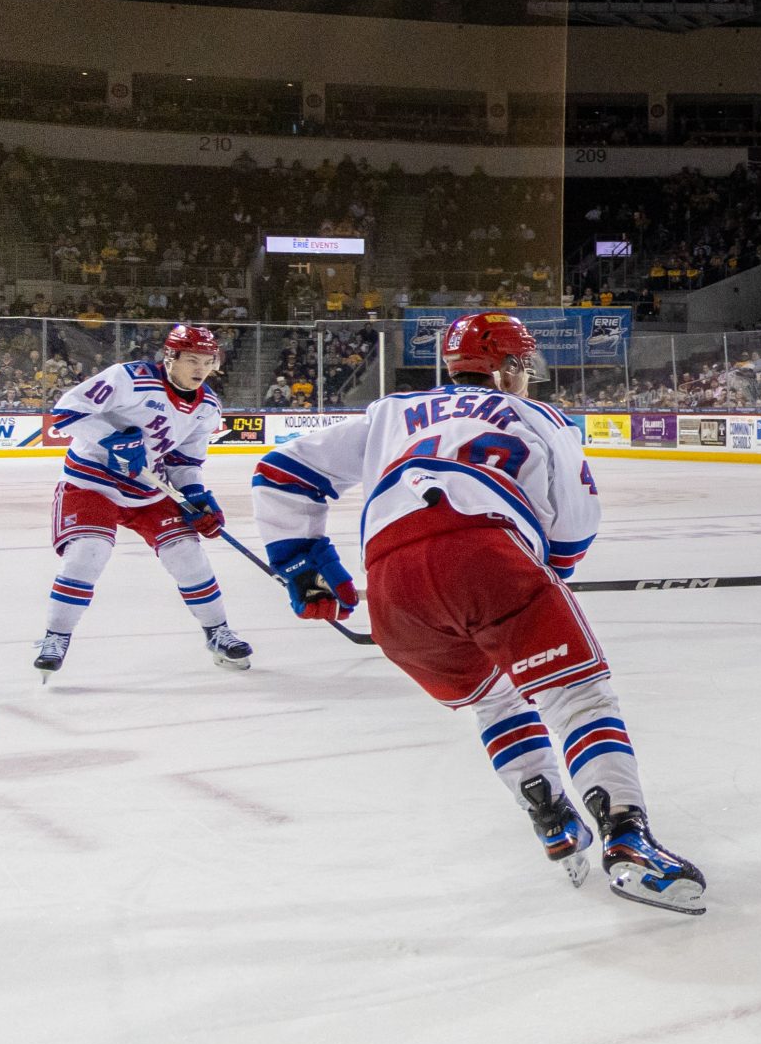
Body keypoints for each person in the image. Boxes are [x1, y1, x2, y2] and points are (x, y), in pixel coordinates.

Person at [249, 312, 704, 912]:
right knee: (577, 696)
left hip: (390, 583)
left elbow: (282, 471)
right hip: (486, 552)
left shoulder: (389, 413)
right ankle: (627, 839)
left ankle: (552, 819)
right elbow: (573, 522)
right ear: (509, 367)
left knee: (493, 701)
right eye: (523, 365)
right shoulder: (537, 416)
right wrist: (546, 579)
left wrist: (302, 563)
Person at [32, 324, 249, 679]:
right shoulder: (129, 379)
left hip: (148, 490)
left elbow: (185, 462)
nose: (200, 369)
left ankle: (218, 632)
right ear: (170, 357)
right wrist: (113, 438)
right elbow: (68, 411)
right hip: (91, 481)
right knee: (88, 552)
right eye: (192, 360)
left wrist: (196, 497)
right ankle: (55, 637)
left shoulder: (207, 406)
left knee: (188, 555)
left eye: (207, 361)